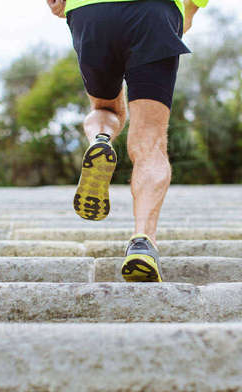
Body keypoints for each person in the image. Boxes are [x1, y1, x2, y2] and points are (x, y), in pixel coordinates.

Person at [47, 0, 208, 282]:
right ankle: (143, 241)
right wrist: (189, 11)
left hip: (91, 13)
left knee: (105, 108)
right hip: (154, 12)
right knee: (150, 141)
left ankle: (101, 139)